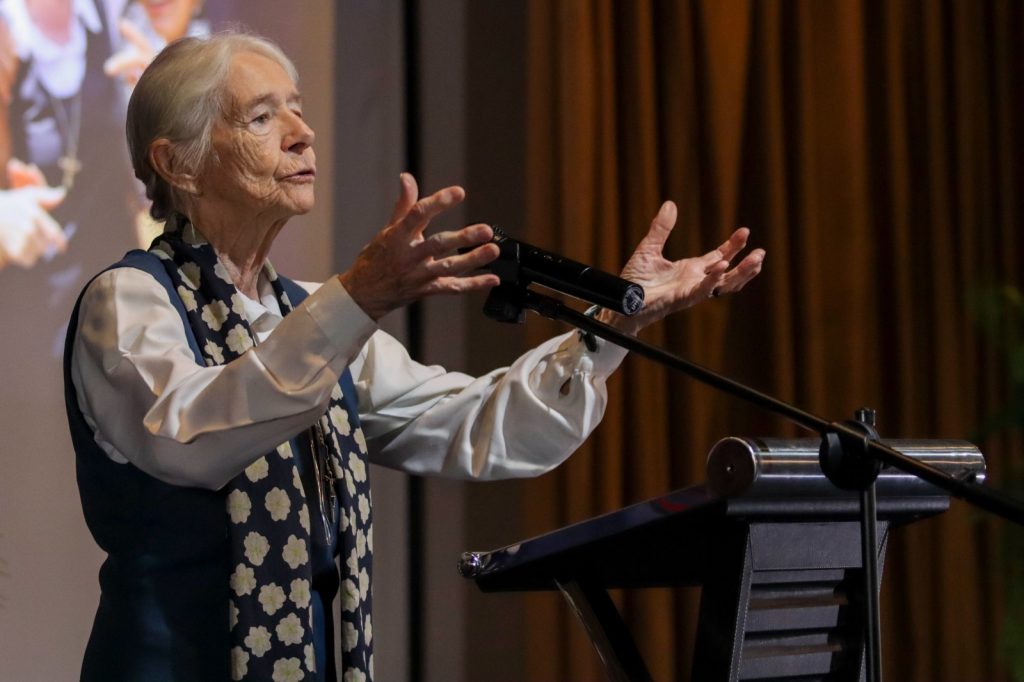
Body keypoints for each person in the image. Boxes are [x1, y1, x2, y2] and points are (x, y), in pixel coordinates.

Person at [64, 32, 765, 682]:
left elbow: (475, 424)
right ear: (176, 163)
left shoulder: (303, 314)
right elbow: (192, 436)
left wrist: (613, 319)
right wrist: (355, 299)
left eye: (300, 111)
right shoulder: (128, 301)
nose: (303, 134)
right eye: (261, 118)